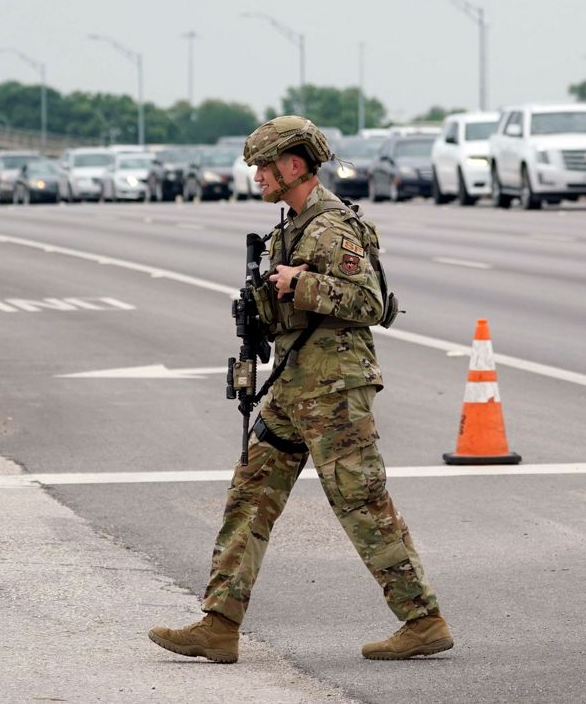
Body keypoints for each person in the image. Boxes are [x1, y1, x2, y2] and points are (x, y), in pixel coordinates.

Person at [148, 116, 452, 663]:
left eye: (265, 166)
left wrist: (300, 283)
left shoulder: (330, 226)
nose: (257, 175)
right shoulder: (290, 227)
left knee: (361, 501)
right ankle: (219, 625)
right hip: (294, 384)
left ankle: (422, 620)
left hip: (334, 388)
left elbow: (373, 305)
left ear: (294, 165)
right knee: (250, 496)